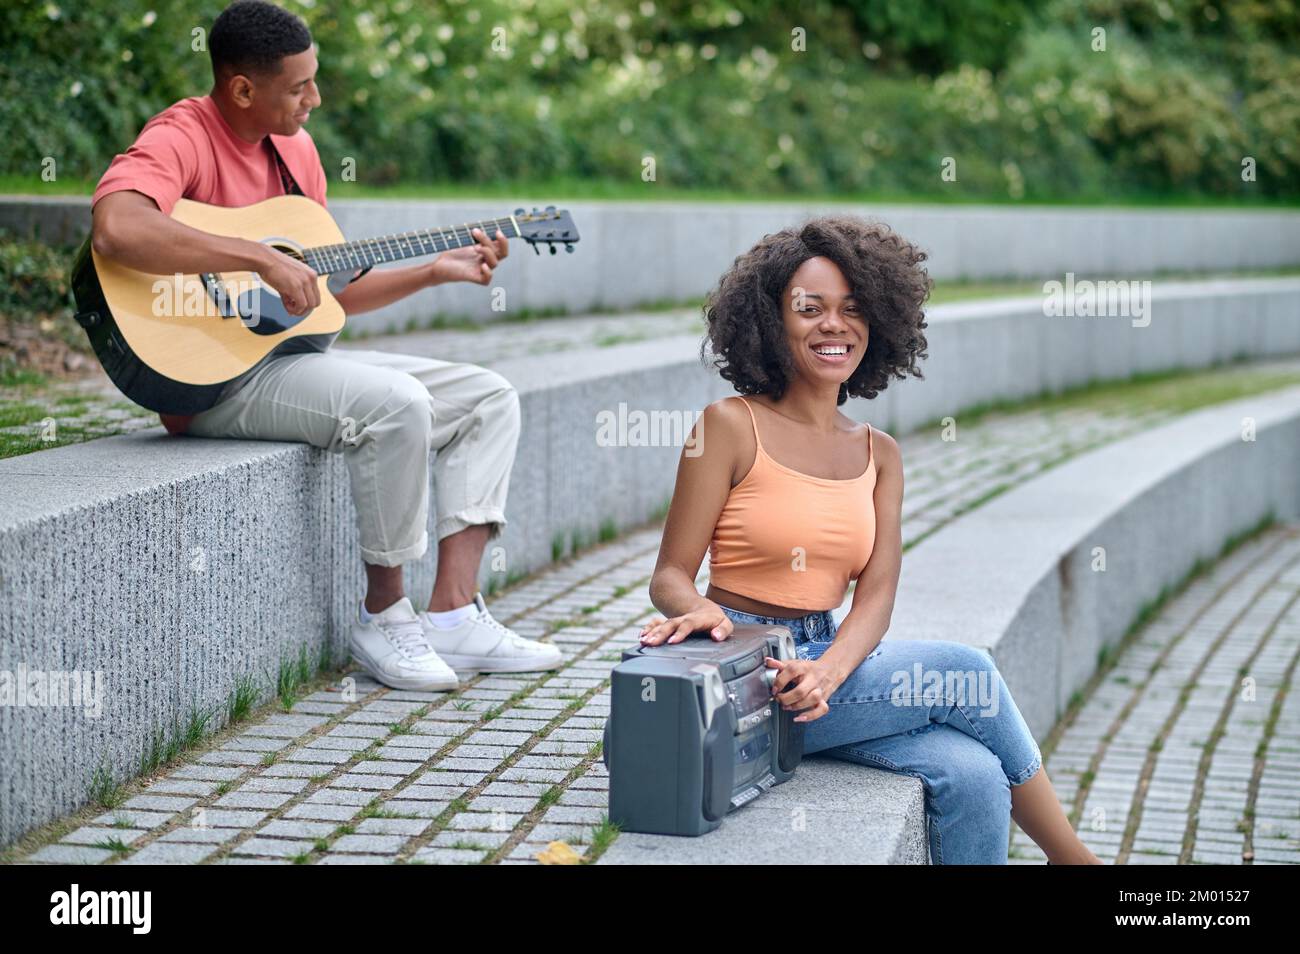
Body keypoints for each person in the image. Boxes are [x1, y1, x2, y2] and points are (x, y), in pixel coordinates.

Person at [89, 0, 562, 691]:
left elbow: (321, 294)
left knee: (489, 396)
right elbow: (116, 229)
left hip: (289, 361)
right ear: (242, 88)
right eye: (299, 86)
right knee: (398, 403)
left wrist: (434, 270)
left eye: (315, 80)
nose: (316, 98)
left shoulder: (296, 154)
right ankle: (384, 617)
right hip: (210, 383)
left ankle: (455, 617)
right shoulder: (181, 134)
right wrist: (255, 257)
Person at [638, 214, 1102, 864]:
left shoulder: (879, 454)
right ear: (772, 321)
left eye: (853, 309)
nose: (835, 325)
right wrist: (700, 610)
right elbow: (669, 576)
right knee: (965, 671)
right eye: (811, 309)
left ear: (878, 322)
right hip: (749, 670)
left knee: (973, 777)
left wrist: (829, 670)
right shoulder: (727, 426)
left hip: (831, 665)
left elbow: (876, 597)